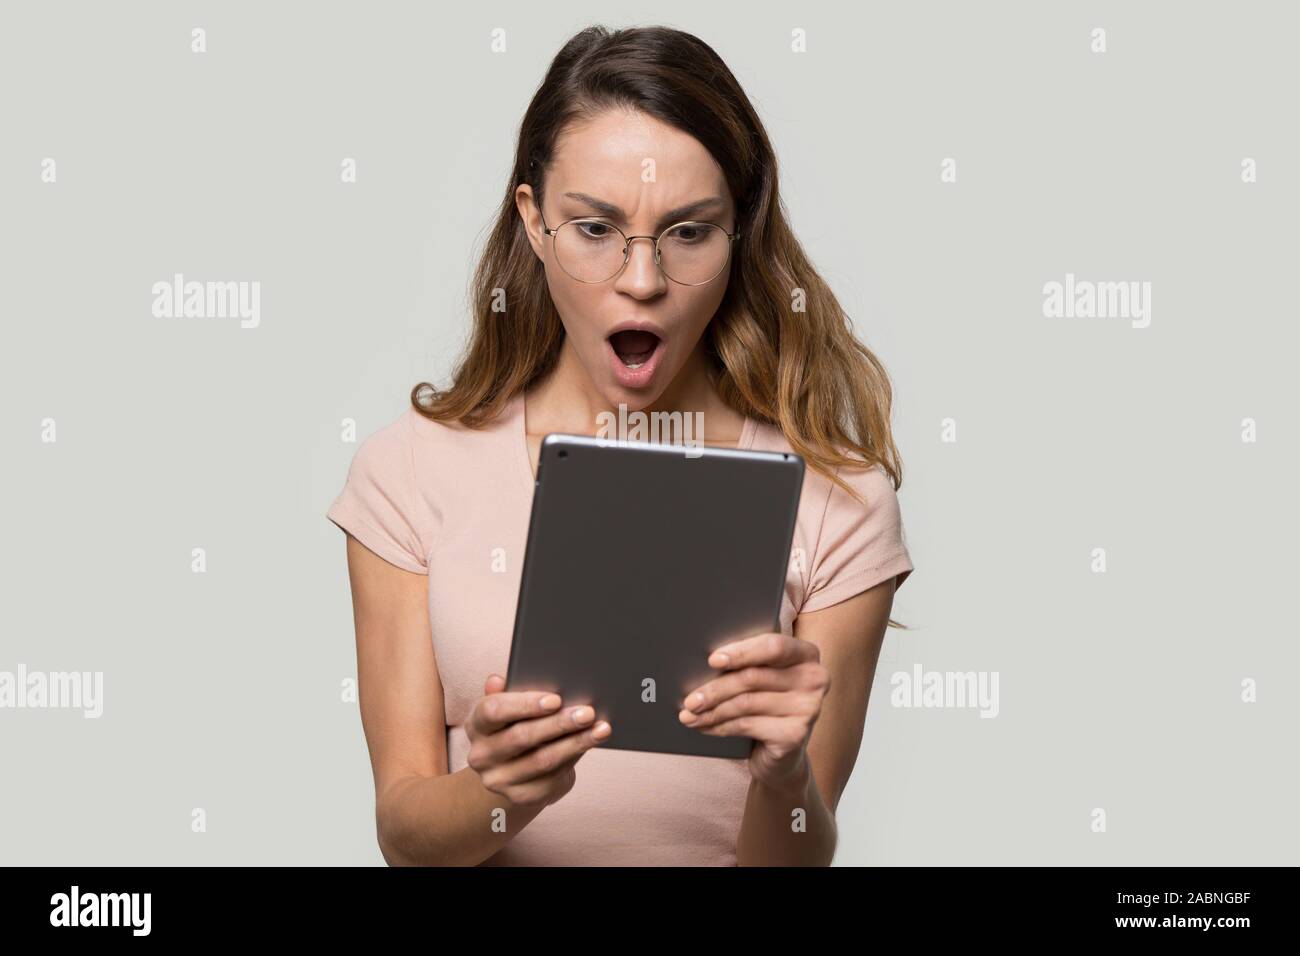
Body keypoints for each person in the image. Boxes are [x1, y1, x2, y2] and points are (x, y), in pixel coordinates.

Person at [326, 24, 914, 866]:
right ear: (534, 221)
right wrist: (498, 793)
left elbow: (795, 857)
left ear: (738, 230)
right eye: (595, 229)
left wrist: (784, 776)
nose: (642, 280)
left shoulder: (839, 498)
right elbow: (405, 836)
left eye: (689, 231)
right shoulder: (408, 471)